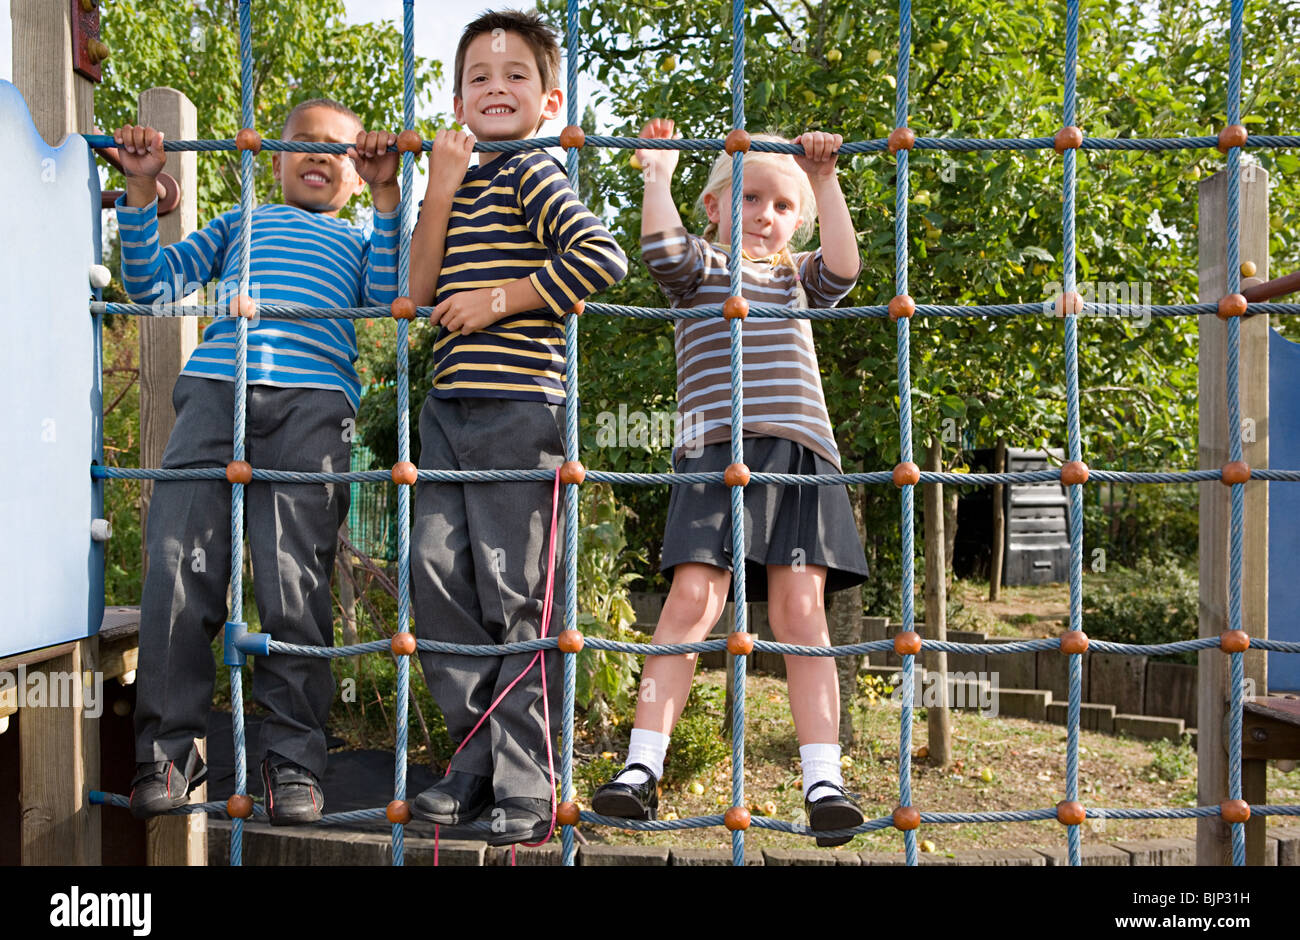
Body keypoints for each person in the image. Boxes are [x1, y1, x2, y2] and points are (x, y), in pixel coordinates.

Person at [114, 98, 402, 824]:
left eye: (339, 150)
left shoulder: (359, 238)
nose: (318, 156)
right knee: (177, 560)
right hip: (219, 390)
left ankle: (294, 760)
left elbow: (390, 298)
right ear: (271, 159)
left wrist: (387, 193)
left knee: (293, 579)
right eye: (301, 143)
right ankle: (169, 752)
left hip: (313, 406)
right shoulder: (240, 223)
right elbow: (152, 285)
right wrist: (144, 191)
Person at [590, 118, 870, 847]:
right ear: (714, 207)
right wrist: (657, 174)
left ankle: (823, 779)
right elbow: (658, 247)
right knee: (692, 599)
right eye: (748, 199)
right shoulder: (701, 270)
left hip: (799, 454)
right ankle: (640, 768)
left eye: (783, 206)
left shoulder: (796, 277)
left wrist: (826, 178)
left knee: (800, 614)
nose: (766, 217)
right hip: (711, 453)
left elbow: (845, 268)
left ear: (799, 220)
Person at [404, 9, 628, 847]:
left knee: (515, 594)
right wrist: (441, 186)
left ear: (550, 98)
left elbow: (600, 258)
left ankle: (526, 782)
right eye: (478, 77)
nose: (496, 88)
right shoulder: (465, 177)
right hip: (448, 409)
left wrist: (500, 299)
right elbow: (421, 287)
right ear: (457, 96)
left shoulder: (533, 168)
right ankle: (474, 761)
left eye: (515, 76)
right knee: (435, 577)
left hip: (521, 410)